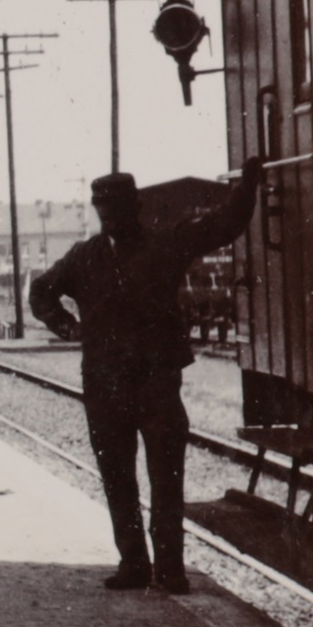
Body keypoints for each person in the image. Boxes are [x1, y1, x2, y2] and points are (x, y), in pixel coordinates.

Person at [26, 161, 268, 594]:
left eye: (115, 209)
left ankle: (169, 569)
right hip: (107, 386)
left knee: (165, 479)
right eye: (103, 210)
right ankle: (135, 564)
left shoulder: (163, 244)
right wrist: (68, 327)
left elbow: (222, 226)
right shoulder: (85, 256)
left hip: (154, 383)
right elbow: (40, 291)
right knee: (119, 478)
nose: (109, 218)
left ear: (134, 206)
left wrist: (247, 186)